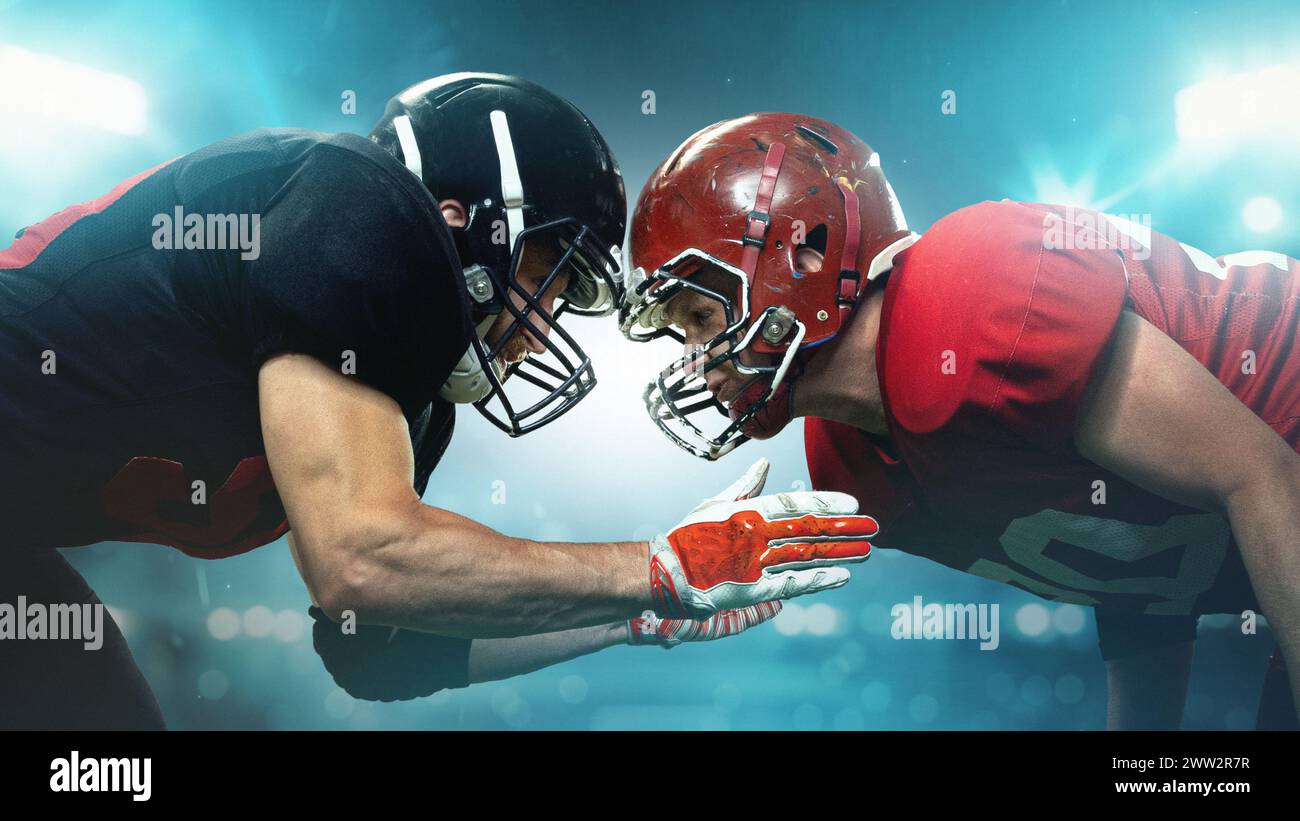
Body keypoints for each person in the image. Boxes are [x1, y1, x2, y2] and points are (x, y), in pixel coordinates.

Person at [0, 81, 877, 729]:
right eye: (550, 277)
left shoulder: (409, 397)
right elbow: (360, 561)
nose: (540, 331)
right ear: (464, 218)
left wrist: (640, 612)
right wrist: (658, 563)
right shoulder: (361, 203)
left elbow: (374, 647)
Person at [620, 112, 1300, 729]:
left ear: (807, 255)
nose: (699, 362)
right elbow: (1137, 562)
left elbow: (1262, 474)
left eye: (702, 318)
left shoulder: (969, 298)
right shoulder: (852, 461)